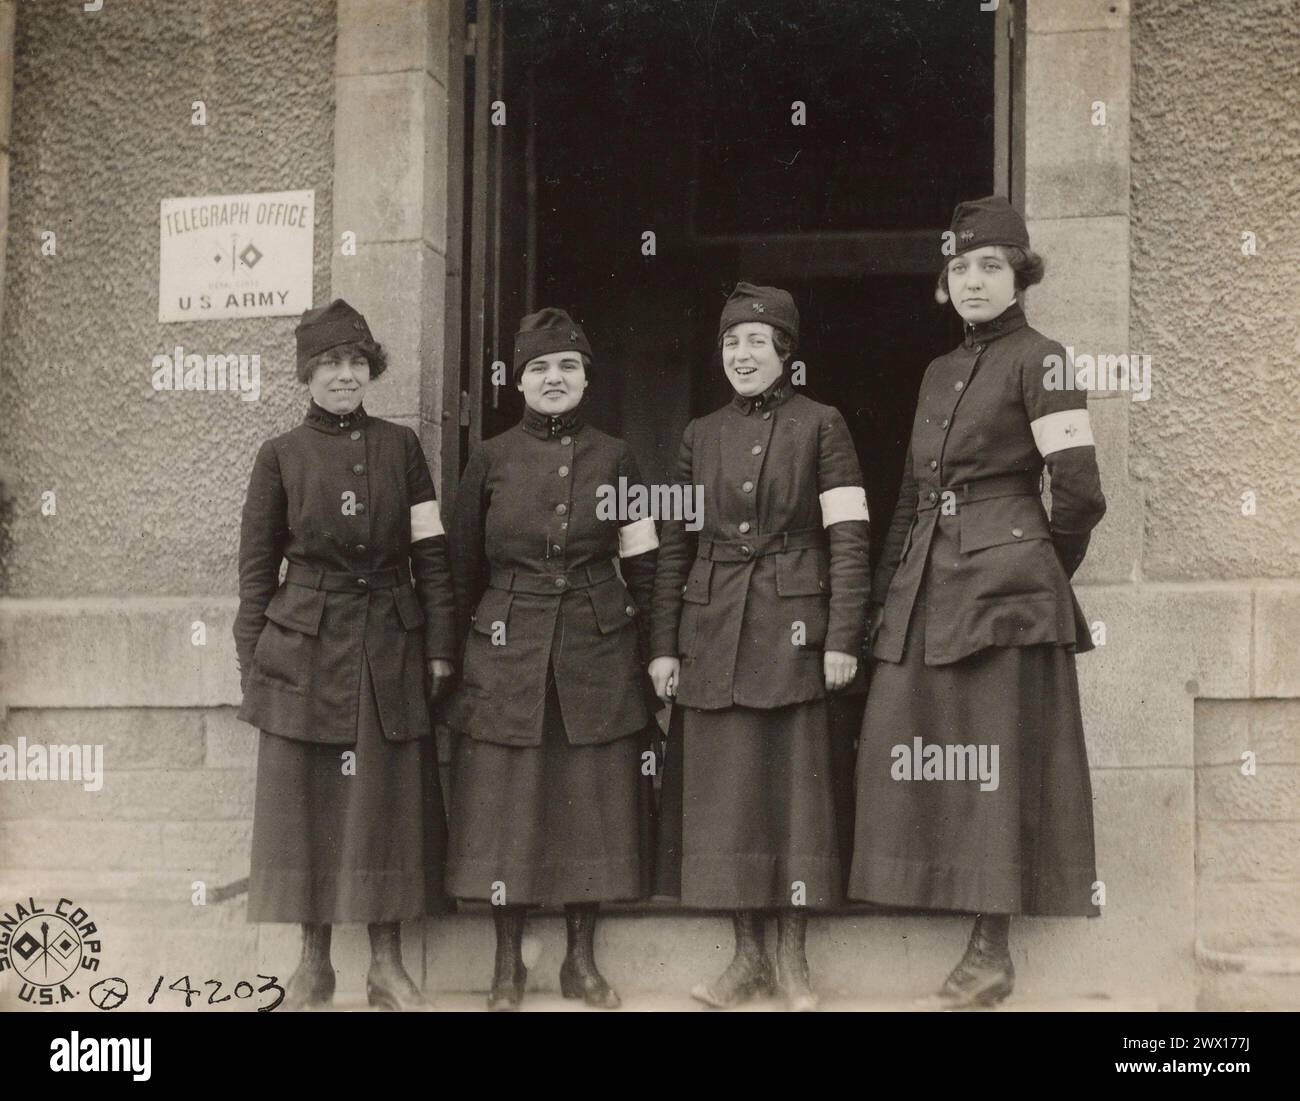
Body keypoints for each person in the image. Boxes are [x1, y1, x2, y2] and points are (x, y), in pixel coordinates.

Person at [848, 195, 1107, 1008]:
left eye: (989, 266)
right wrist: (888, 598)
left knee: (996, 758)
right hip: (929, 584)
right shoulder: (937, 372)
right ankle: (940, 909)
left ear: (1019, 276)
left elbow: (1080, 493)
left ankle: (992, 950)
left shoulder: (1045, 358)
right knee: (912, 740)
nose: (972, 282)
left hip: (1005, 596)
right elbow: (908, 498)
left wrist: (1032, 568)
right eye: (959, 269)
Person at [649, 283, 870, 1011]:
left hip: (795, 629)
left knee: (796, 798)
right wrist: (664, 646)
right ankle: (745, 959)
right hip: (712, 633)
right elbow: (673, 548)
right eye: (730, 342)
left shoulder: (823, 425)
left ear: (784, 351)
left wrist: (841, 635)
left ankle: (793, 961)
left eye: (755, 341)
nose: (741, 354)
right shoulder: (697, 435)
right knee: (728, 801)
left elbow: (849, 538)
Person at [235, 298, 456, 1010]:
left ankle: (388, 964)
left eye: (356, 362)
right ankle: (313, 963)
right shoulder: (280, 456)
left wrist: (441, 646)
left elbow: (433, 555)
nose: (344, 375)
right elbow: (254, 573)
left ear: (371, 370)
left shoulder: (401, 449)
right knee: (310, 806)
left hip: (388, 644)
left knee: (385, 800)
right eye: (329, 363)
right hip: (304, 650)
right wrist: (255, 668)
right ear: (307, 373)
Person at [442, 308, 658, 1011]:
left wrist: (661, 652)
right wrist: (445, 657)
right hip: (508, 650)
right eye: (539, 368)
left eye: (567, 366)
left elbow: (646, 565)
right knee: (511, 806)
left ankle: (580, 961)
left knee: (589, 803)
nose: (554, 378)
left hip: (597, 649)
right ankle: (507, 965)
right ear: (518, 381)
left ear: (586, 378)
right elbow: (459, 568)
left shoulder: (618, 458)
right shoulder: (489, 459)